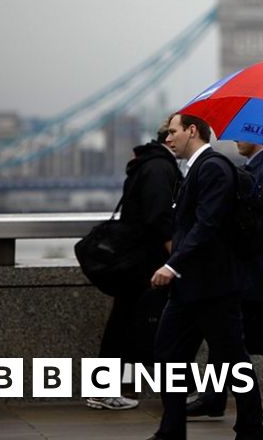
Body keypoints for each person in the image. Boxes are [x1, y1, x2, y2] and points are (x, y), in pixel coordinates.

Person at [148, 114, 263, 440]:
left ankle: (252, 429)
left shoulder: (213, 167)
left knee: (233, 360)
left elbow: (207, 224)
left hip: (214, 286)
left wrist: (172, 265)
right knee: (169, 353)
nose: (167, 138)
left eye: (172, 131)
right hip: (192, 286)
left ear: (192, 131)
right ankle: (171, 430)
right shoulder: (195, 169)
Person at [183, 141, 263, 422]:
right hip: (257, 272)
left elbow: (253, 221)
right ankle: (213, 397)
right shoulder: (258, 167)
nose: (236, 142)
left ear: (260, 137)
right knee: (227, 335)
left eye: (242, 136)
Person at [86, 119, 181, 411]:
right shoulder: (160, 168)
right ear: (169, 137)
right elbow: (158, 217)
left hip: (133, 258)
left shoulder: (147, 162)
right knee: (127, 324)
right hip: (143, 262)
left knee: (126, 322)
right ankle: (106, 389)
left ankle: (108, 388)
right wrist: (176, 256)